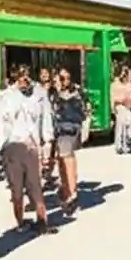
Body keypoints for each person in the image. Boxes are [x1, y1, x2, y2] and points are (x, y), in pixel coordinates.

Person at [0, 65, 57, 235]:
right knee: (16, 188)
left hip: (33, 145)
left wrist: (48, 143)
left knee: (36, 186)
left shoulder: (39, 94)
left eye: (27, 75)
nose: (24, 79)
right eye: (20, 75)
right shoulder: (6, 96)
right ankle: (20, 221)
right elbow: (3, 124)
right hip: (13, 145)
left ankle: (42, 221)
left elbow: (46, 118)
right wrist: (3, 147)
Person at [50, 70, 87, 215]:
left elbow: (85, 110)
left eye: (66, 78)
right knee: (61, 160)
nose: (64, 80)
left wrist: (85, 128)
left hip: (69, 129)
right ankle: (66, 190)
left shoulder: (76, 93)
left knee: (67, 159)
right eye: (61, 78)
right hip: (58, 131)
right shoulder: (53, 93)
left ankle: (72, 193)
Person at [111, 67, 131, 154]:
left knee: (128, 125)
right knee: (120, 126)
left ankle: (126, 144)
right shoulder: (115, 85)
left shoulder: (129, 85)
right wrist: (114, 107)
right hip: (119, 106)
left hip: (127, 106)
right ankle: (119, 146)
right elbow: (113, 98)